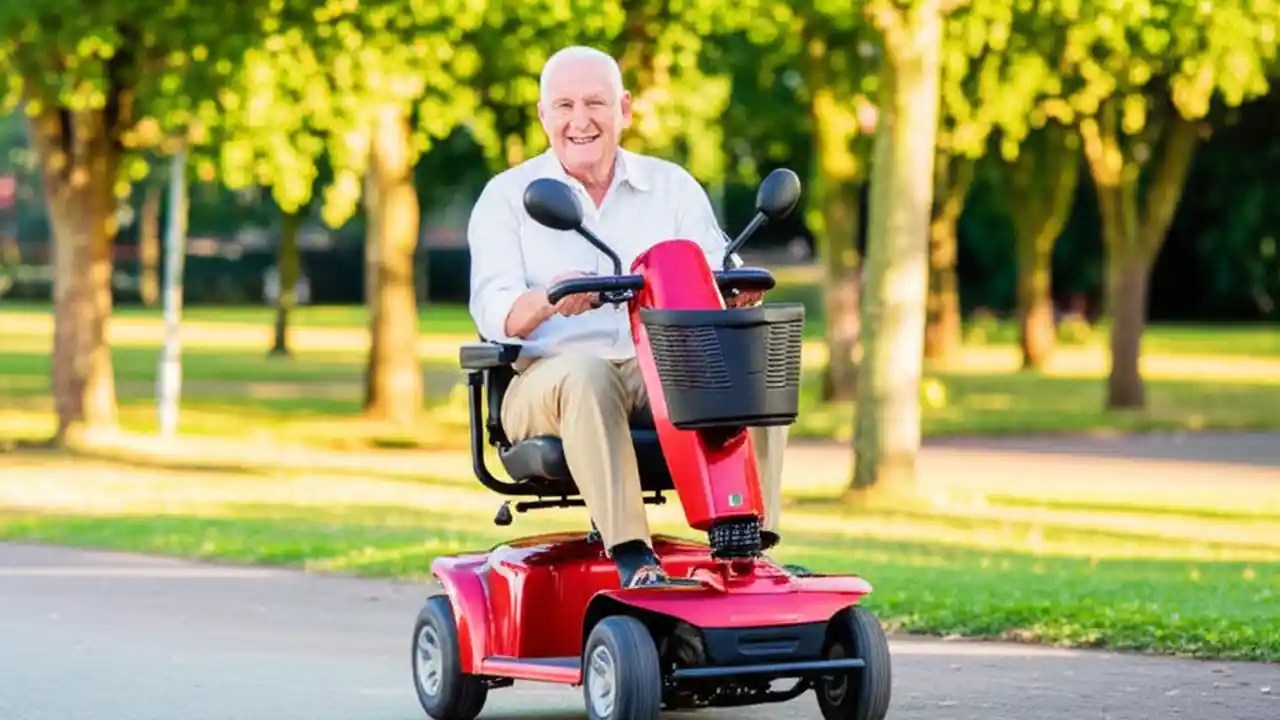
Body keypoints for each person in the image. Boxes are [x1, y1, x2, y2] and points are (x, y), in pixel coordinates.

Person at [465, 45, 789, 588]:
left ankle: (751, 542)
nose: (580, 120)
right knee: (588, 373)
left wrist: (731, 293)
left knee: (745, 357)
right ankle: (633, 554)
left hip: (655, 368)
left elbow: (713, 271)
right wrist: (549, 298)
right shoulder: (507, 198)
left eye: (595, 102)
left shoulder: (671, 187)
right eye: (564, 105)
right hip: (546, 382)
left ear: (625, 109)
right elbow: (497, 315)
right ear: (544, 115)